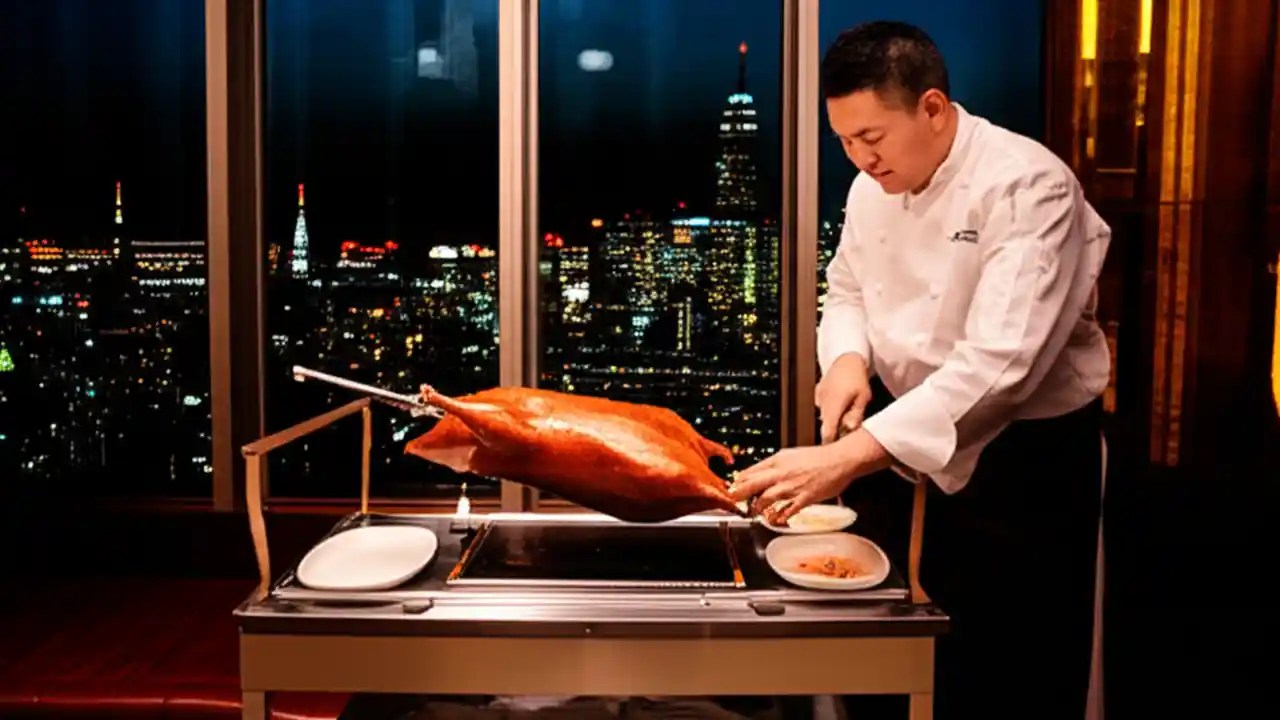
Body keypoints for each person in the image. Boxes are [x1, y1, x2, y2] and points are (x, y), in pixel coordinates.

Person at [728, 21, 1110, 720]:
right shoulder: (870, 188)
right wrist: (848, 360)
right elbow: (847, 289)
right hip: (900, 443)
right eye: (844, 140)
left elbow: (1002, 365)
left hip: (1023, 462)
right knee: (888, 647)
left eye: (871, 137)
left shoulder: (1029, 186)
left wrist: (847, 456)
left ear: (932, 107)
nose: (859, 157)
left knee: (1011, 661)